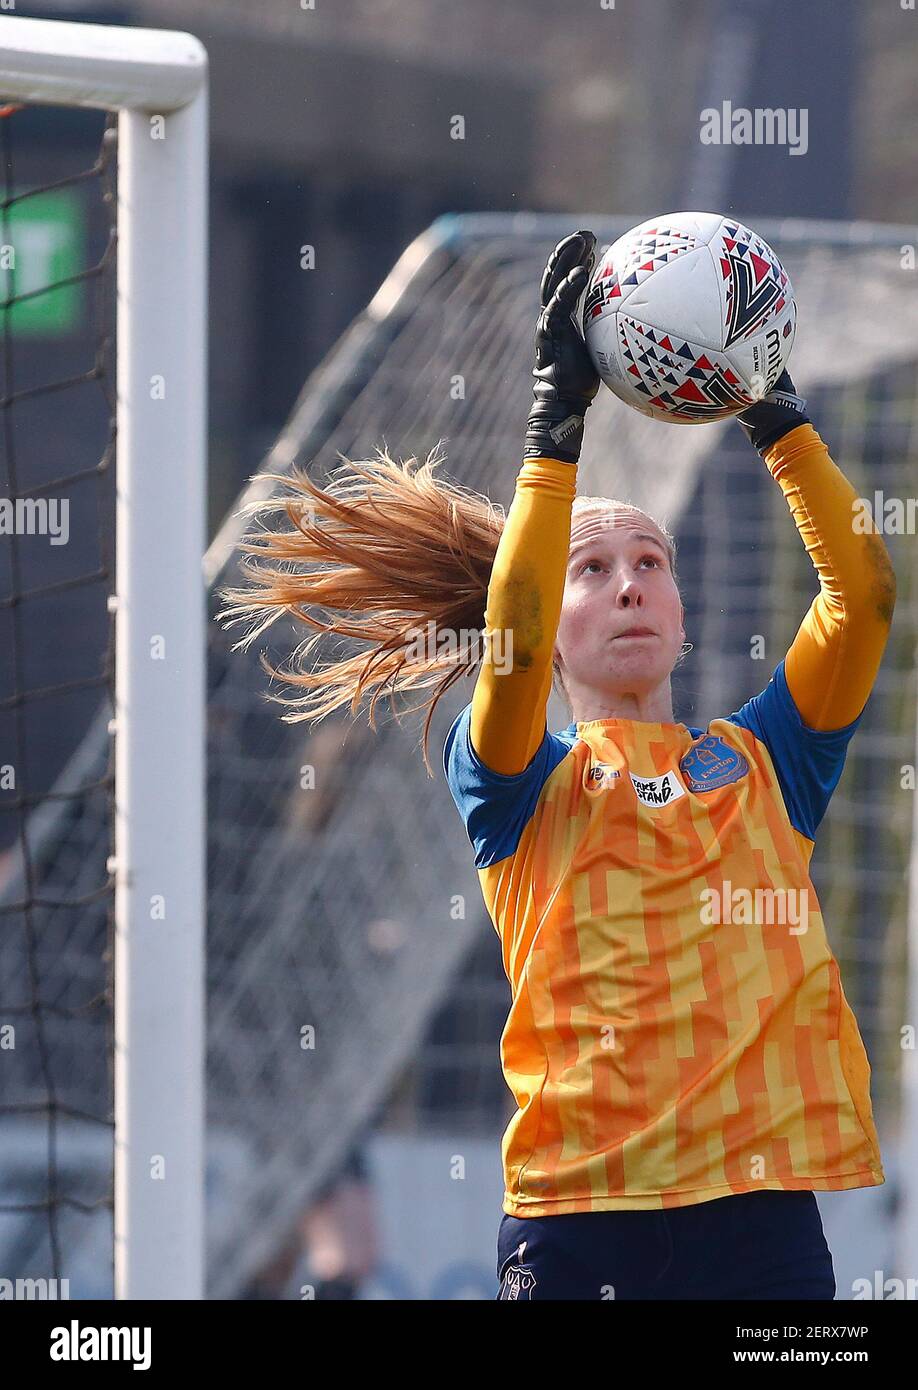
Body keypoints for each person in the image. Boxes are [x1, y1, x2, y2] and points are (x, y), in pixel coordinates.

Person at [219, 229, 896, 1301]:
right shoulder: (513, 780)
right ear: (548, 625)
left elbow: (862, 599)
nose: (629, 583)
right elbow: (515, 637)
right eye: (593, 568)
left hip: (762, 1223)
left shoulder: (771, 760)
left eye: (651, 562)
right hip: (583, 1221)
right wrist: (555, 425)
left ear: (681, 614)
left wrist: (778, 418)